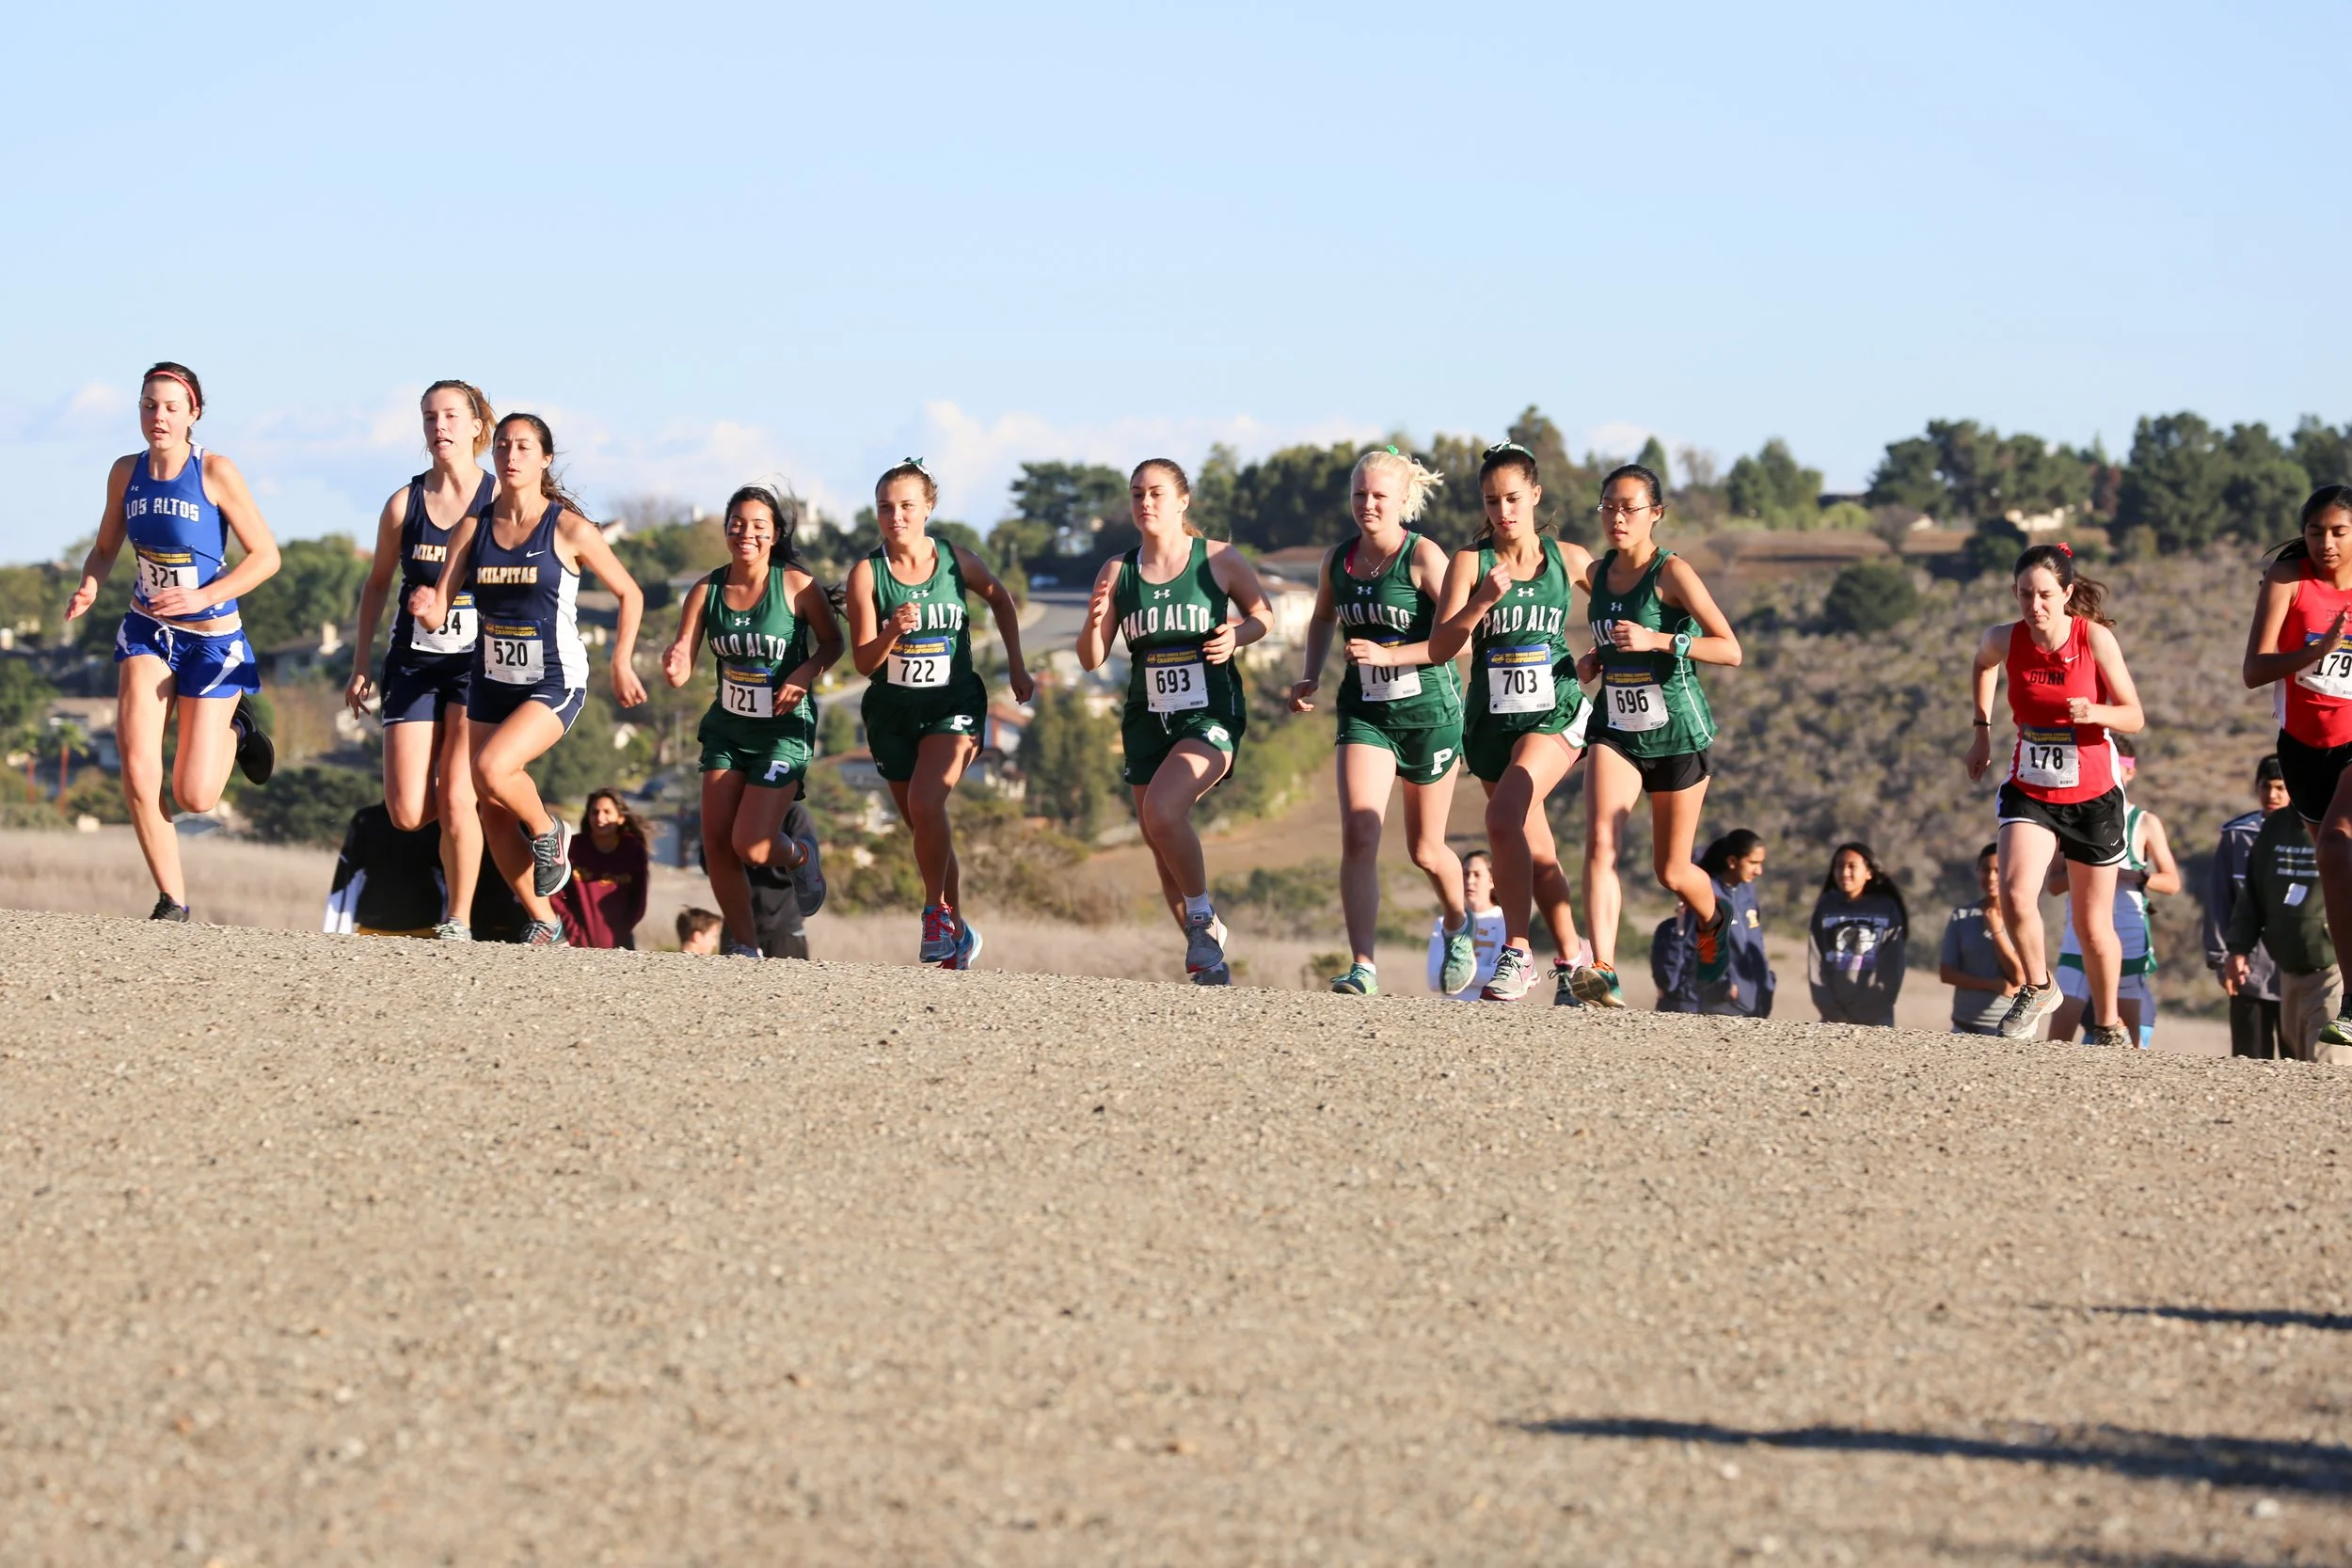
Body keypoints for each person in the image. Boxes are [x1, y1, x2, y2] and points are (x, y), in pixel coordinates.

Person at [412, 413, 647, 946]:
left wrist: (622, 661)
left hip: (554, 677)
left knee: (493, 769)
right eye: (502, 447)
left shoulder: (566, 528)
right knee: (492, 811)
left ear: (544, 460)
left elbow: (630, 593)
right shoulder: (473, 528)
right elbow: (440, 609)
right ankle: (546, 920)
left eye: (522, 447)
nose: (510, 456)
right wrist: (426, 606)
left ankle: (549, 832)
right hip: (492, 678)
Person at [62, 362, 278, 921]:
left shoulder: (215, 472)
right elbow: (107, 545)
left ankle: (237, 728)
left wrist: (202, 597)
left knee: (196, 796)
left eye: (170, 407)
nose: (158, 417)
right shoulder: (125, 472)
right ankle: (172, 900)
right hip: (147, 630)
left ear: (193, 414)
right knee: (137, 768)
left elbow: (266, 558)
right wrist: (89, 583)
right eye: (148, 406)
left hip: (211, 638)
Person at [1076, 458, 1273, 984]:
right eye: (1137, 494)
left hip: (1210, 712)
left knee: (1163, 814)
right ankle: (1205, 957)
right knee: (1158, 838)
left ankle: (1203, 917)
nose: (1146, 503)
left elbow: (1263, 615)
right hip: (1147, 720)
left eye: (1157, 493)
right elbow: (1091, 659)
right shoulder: (1117, 571)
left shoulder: (1219, 559)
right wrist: (1095, 622)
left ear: (1182, 501)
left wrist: (1238, 634)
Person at [1288, 447, 1469, 997]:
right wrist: (1310, 675)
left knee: (1425, 850)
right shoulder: (1336, 560)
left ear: (1403, 501)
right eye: (1359, 495)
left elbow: (1457, 640)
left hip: (1430, 715)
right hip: (1366, 713)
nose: (1368, 505)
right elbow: (1322, 617)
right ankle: (1363, 965)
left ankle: (1459, 923)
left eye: (1379, 496)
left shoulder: (1424, 558)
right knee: (1361, 833)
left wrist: (1392, 656)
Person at [1425, 441, 1594, 1002]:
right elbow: (1441, 646)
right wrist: (1478, 604)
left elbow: (1627, 596)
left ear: (1536, 495)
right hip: (1493, 722)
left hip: (1555, 711)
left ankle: (1517, 953)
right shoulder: (1470, 563)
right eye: (1492, 501)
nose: (1504, 512)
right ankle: (1574, 961)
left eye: (1514, 499)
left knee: (1501, 819)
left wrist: (1624, 652)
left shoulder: (1568, 558)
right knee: (1535, 851)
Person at [847, 459, 1031, 969]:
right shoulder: (867, 573)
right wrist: (890, 632)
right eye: (886, 507)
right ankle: (959, 930)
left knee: (928, 805)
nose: (896, 516)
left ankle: (934, 914)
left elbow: (1000, 598)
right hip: (892, 715)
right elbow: (863, 662)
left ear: (928, 508)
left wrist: (1016, 664)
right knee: (924, 825)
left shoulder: (956, 561)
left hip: (954, 705)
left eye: (907, 506)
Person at [1569, 463, 1742, 1007]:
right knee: (1600, 841)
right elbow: (1612, 637)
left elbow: (1729, 649)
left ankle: (1715, 921)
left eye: (1629, 508)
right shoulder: (1597, 575)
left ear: (1656, 514)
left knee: (1671, 870)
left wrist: (1661, 640)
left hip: (1676, 734)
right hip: (1616, 729)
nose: (1617, 518)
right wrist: (1597, 657)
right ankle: (1602, 968)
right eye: (1608, 507)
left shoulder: (1673, 573)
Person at [1964, 542, 2146, 1047]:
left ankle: (2108, 1024)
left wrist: (2097, 712)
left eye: (2045, 595)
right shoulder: (2005, 638)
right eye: (2024, 595)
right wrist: (1982, 731)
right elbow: (1982, 665)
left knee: (2091, 926)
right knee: (2018, 894)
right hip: (2031, 790)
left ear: (2067, 593)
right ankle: (2040, 986)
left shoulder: (2095, 640)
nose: (2034, 606)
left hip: (2093, 795)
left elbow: (2134, 715)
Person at [662, 483, 842, 958]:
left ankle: (801, 856)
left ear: (775, 533)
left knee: (754, 846)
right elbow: (684, 649)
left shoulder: (796, 586)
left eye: (758, 526)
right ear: (725, 530)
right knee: (718, 844)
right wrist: (677, 659)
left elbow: (832, 644)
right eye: (737, 524)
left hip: (783, 729)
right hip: (728, 728)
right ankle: (744, 946)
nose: (746, 533)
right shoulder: (707, 590)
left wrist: (803, 673)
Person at [343, 380, 494, 941]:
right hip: (413, 662)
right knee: (407, 811)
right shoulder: (404, 504)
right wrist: (360, 662)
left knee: (455, 795)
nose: (440, 427)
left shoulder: (500, 501)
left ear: (478, 426)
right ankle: (484, 808)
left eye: (451, 416)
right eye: (430, 417)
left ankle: (458, 917)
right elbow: (377, 584)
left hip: (478, 666)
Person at [2241, 484, 2352, 1051]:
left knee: (2336, 846)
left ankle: (2350, 1002)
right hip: (2304, 749)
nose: (2325, 543)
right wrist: (2316, 650)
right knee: (2337, 871)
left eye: (2338, 531)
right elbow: (2255, 670)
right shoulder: (2289, 579)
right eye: (2316, 531)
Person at [2048, 739, 2179, 1046]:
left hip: (2128, 928)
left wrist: (2133, 875)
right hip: (2079, 930)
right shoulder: (2068, 817)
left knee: (2129, 1032)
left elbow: (2171, 882)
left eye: (2119, 768)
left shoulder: (2144, 822)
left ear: (2130, 773)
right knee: (2062, 1023)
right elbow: (2054, 884)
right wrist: (2088, 873)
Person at [2222, 805, 2344, 1063]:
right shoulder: (2277, 825)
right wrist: (2239, 948)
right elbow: (2253, 892)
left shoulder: (2343, 819)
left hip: (2335, 971)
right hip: (2289, 970)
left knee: (2328, 1061)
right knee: (2299, 1060)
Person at [2204, 755, 2291, 1058]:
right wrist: (2220, 959)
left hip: (2295, 972)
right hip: (2247, 972)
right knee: (2248, 1061)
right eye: (2266, 786)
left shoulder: (2311, 835)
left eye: (2281, 787)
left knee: (2302, 1068)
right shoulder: (2237, 836)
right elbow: (2218, 902)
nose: (2273, 795)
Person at [1806, 842, 1908, 1025]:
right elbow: (1816, 962)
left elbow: (1892, 969)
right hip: (1833, 1019)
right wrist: (1832, 1011)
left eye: (1852, 866)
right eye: (1839, 866)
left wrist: (1866, 1011)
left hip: (1876, 1019)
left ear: (1869, 872)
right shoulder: (1826, 906)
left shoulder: (1886, 909)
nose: (1844, 873)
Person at [323, 802, 447, 938]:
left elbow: (447, 880)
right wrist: (335, 936)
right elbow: (346, 879)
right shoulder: (366, 820)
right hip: (372, 933)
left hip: (425, 933)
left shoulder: (436, 823)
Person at [1940, 843, 2026, 1036]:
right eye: (1985, 870)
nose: (1991, 877)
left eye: (1998, 870)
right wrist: (1992, 984)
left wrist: (1996, 932)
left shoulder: (2024, 919)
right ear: (1977, 872)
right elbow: (1947, 973)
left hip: (2005, 1029)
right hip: (1962, 1025)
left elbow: (2018, 976)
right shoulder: (1961, 916)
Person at [556, 788, 652, 949]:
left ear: (620, 818)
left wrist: (620, 933)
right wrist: (573, 932)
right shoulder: (572, 847)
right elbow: (556, 894)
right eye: (595, 812)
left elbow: (638, 901)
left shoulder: (633, 850)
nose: (600, 818)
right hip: (575, 945)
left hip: (620, 945)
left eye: (607, 812)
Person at [1696, 829, 1774, 1017]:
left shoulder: (1748, 891)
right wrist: (1724, 985)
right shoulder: (1707, 892)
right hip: (1722, 1006)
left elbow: (1755, 940)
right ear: (1732, 861)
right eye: (1753, 863)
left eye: (1761, 863)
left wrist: (1767, 981)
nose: (1759, 871)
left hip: (1756, 1002)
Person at [1425, 848, 1507, 1000]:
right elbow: (1434, 980)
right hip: (1452, 1012)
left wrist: (1456, 972)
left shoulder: (1505, 922)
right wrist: (1482, 974)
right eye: (1466, 874)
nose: (1470, 881)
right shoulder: (1444, 923)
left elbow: (1503, 978)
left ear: (1492, 880)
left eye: (1477, 875)